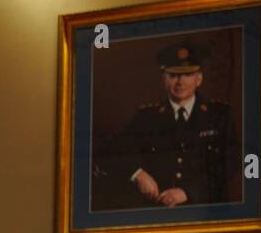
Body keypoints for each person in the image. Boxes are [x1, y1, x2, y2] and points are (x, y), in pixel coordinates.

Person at [97, 42, 236, 209]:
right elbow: (109, 150)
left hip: (206, 210)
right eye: (173, 75)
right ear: (163, 79)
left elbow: (232, 163)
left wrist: (187, 192)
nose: (180, 82)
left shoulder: (219, 115)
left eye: (187, 75)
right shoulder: (146, 118)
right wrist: (137, 174)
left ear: (199, 79)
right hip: (157, 211)